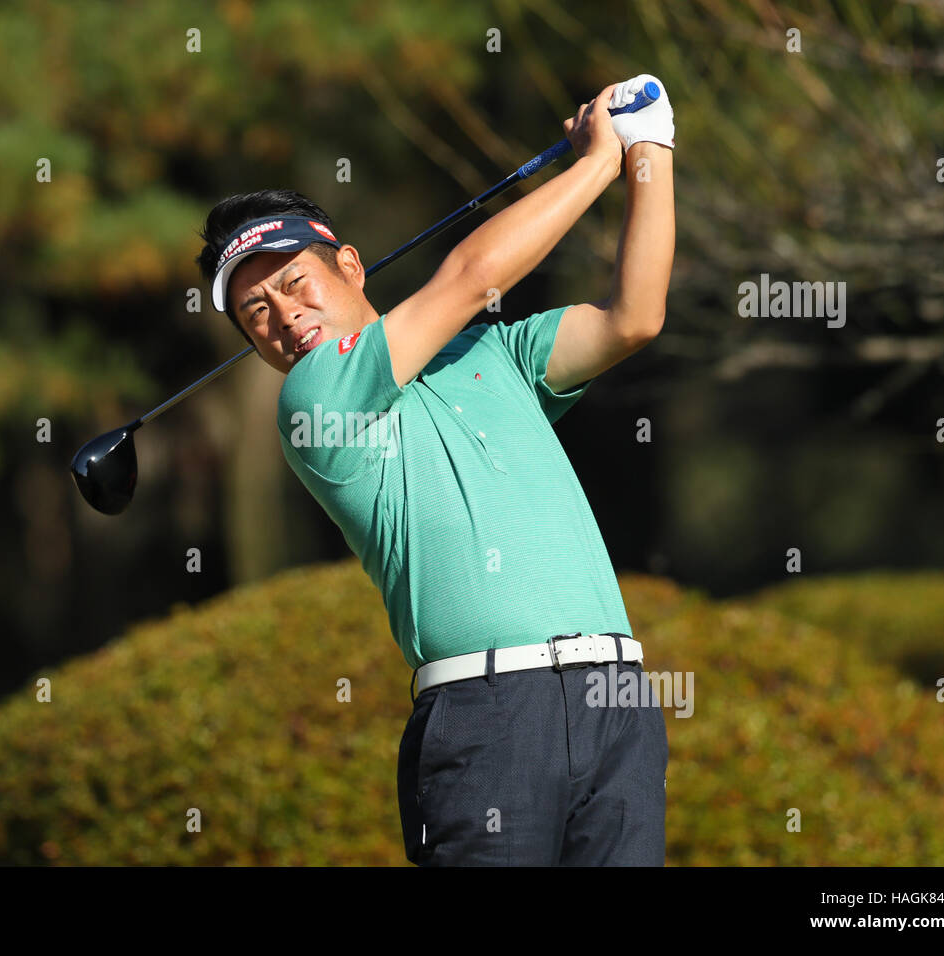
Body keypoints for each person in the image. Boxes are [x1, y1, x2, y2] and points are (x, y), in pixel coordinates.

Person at [194, 75, 676, 865]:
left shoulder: (492, 354)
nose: (285, 318)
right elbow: (466, 280)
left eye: (293, 285)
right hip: (485, 715)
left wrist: (651, 150)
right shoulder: (314, 399)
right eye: (256, 314)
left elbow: (635, 316)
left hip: (615, 697)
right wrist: (599, 162)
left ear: (349, 266)